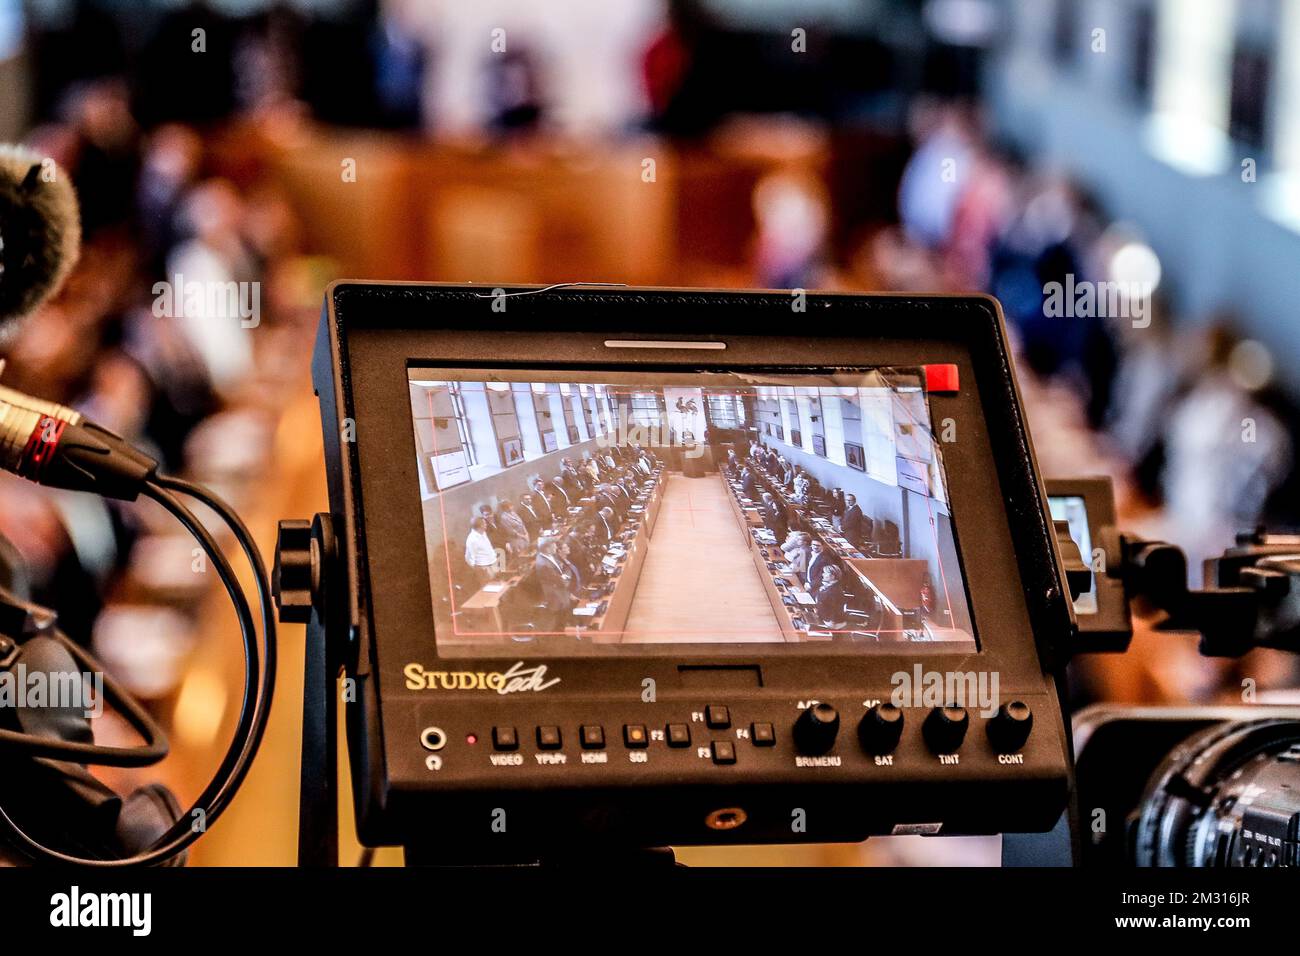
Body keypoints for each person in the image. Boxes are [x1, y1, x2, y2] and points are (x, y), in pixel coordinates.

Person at [534, 537, 575, 632]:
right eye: (554, 545)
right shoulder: (543, 564)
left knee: (566, 614)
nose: (556, 547)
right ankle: (562, 633)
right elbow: (559, 581)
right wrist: (565, 578)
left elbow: (566, 568)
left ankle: (566, 628)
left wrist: (565, 577)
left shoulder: (550, 555)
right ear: (547, 548)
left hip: (561, 588)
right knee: (561, 617)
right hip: (555, 594)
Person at [464, 516, 498, 584]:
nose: (486, 524)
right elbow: (467, 557)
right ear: (480, 526)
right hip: (483, 568)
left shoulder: (483, 533)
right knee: (488, 587)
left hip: (492, 564)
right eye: (485, 523)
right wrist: (479, 568)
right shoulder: (472, 539)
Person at [814, 564, 847, 630]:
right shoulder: (827, 586)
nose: (823, 574)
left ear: (833, 576)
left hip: (829, 623)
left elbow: (836, 610)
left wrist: (831, 623)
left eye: (825, 573)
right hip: (821, 616)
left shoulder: (835, 591)